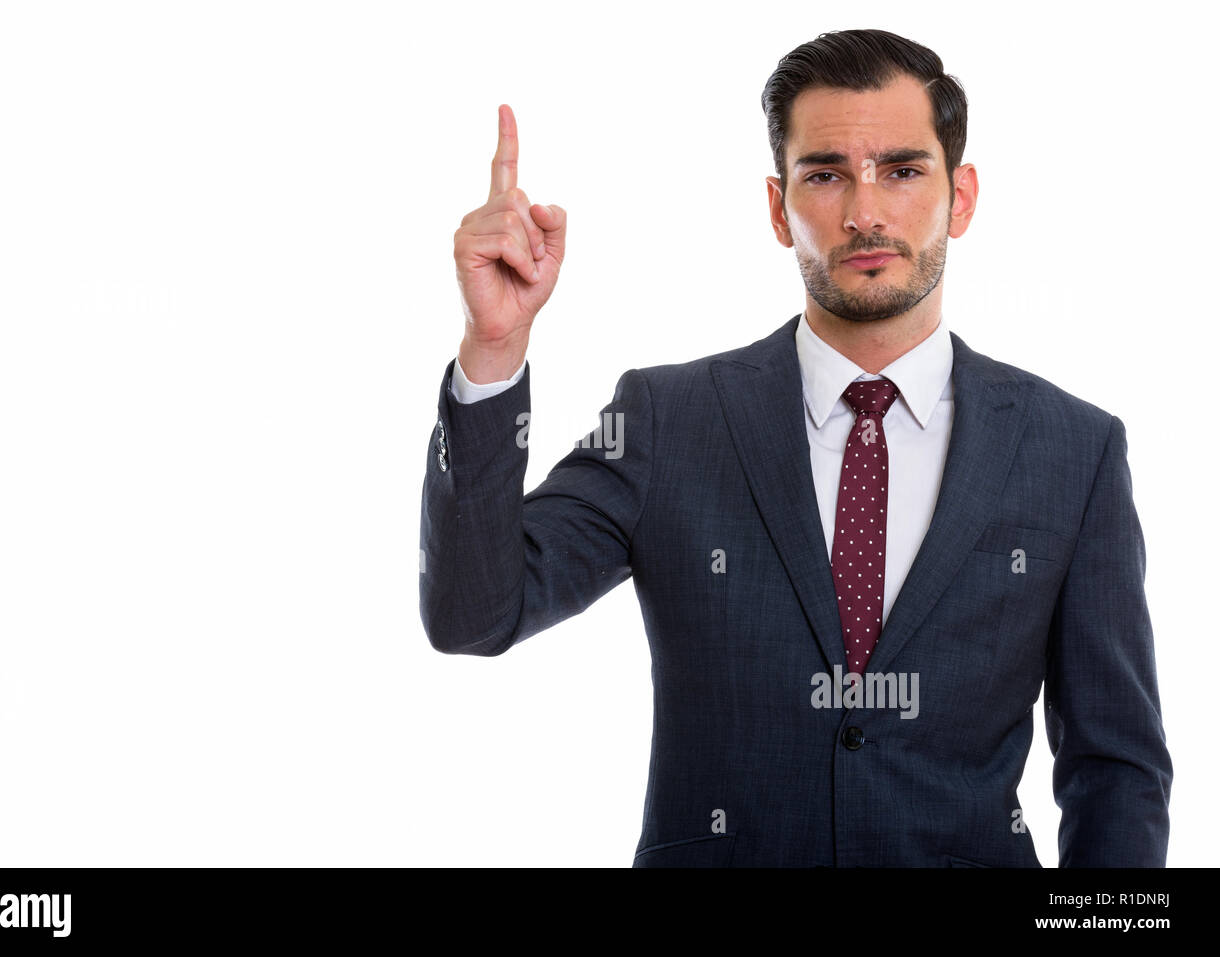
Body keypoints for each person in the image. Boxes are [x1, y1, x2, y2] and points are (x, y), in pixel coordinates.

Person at [418, 28, 1171, 867]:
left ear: (960, 196)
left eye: (902, 170)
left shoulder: (1074, 450)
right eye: (825, 174)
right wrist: (493, 349)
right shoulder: (668, 419)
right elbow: (471, 614)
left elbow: (1117, 768)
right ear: (778, 209)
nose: (865, 212)